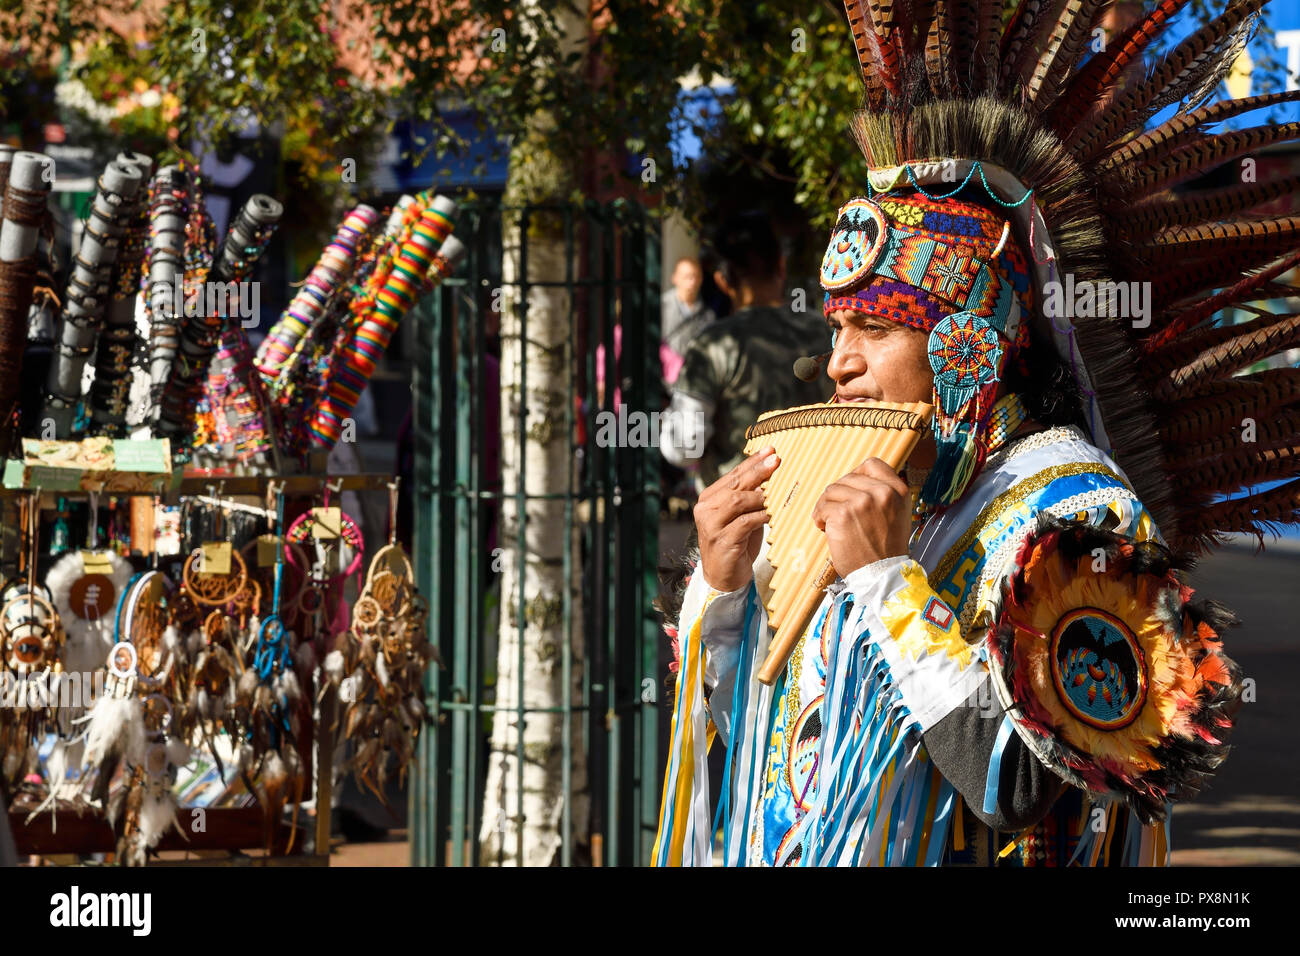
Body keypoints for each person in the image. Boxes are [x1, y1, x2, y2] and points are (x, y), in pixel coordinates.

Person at [652, 0, 1299, 866]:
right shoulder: (888, 491)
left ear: (970, 340)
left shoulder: (1080, 511)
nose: (837, 364)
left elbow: (1019, 785)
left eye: (874, 331)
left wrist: (888, 582)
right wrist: (725, 602)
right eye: (836, 330)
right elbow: (783, 747)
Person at [660, 212, 830, 485]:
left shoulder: (712, 344)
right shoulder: (825, 330)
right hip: (817, 498)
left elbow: (685, 445)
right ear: (781, 266)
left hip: (741, 511)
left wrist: (666, 422)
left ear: (722, 280)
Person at [660, 257, 716, 385]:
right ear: (674, 278)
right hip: (663, 380)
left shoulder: (708, 314)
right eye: (687, 277)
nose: (692, 281)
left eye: (696, 277)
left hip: (694, 381)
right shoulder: (661, 306)